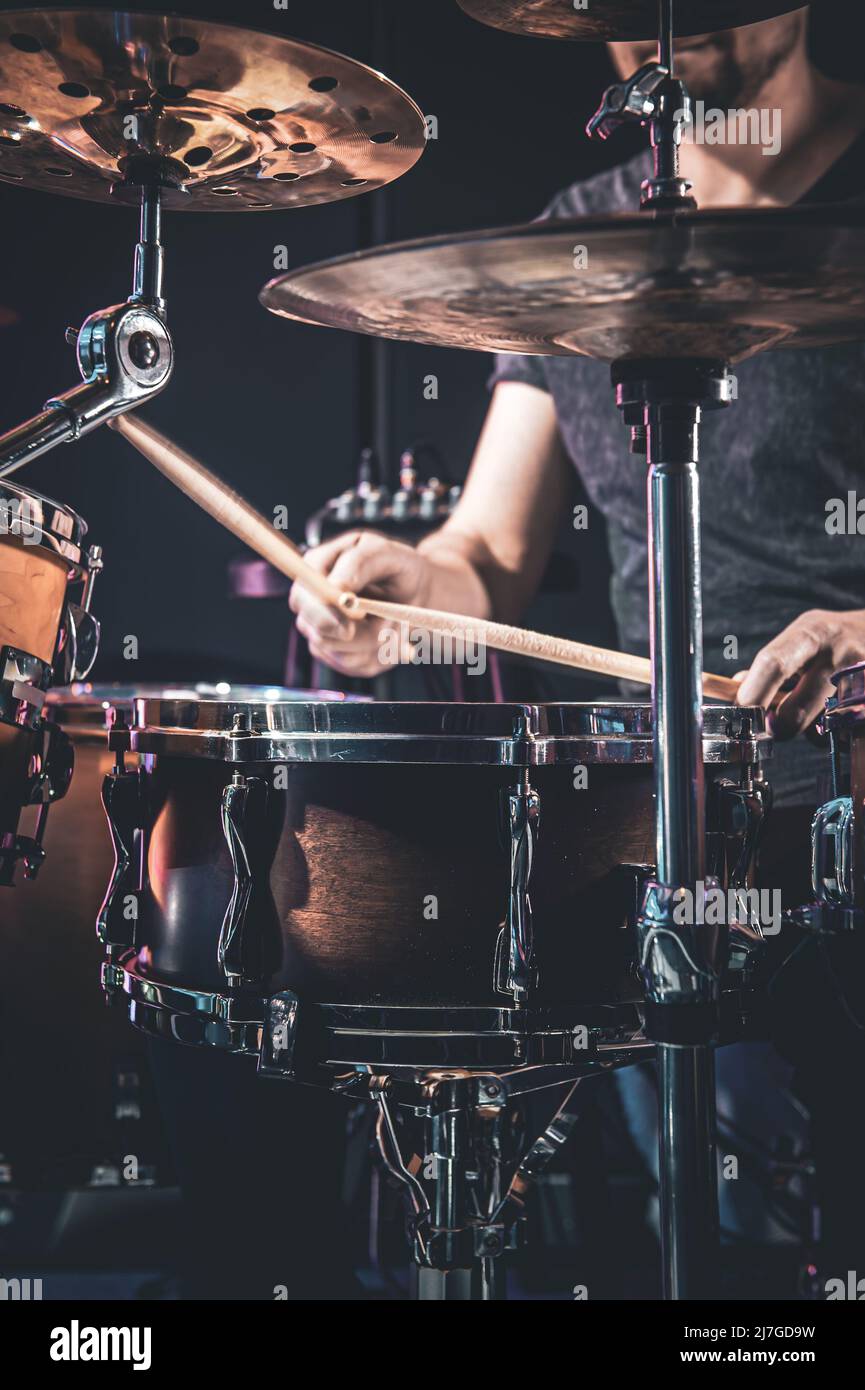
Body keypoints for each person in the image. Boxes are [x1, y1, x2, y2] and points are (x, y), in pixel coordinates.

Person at [290, 8, 865, 1286]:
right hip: (678, 814)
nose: (668, 30)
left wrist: (856, 633)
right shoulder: (576, 242)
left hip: (853, 782)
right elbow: (485, 558)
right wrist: (400, 600)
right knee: (727, 1242)